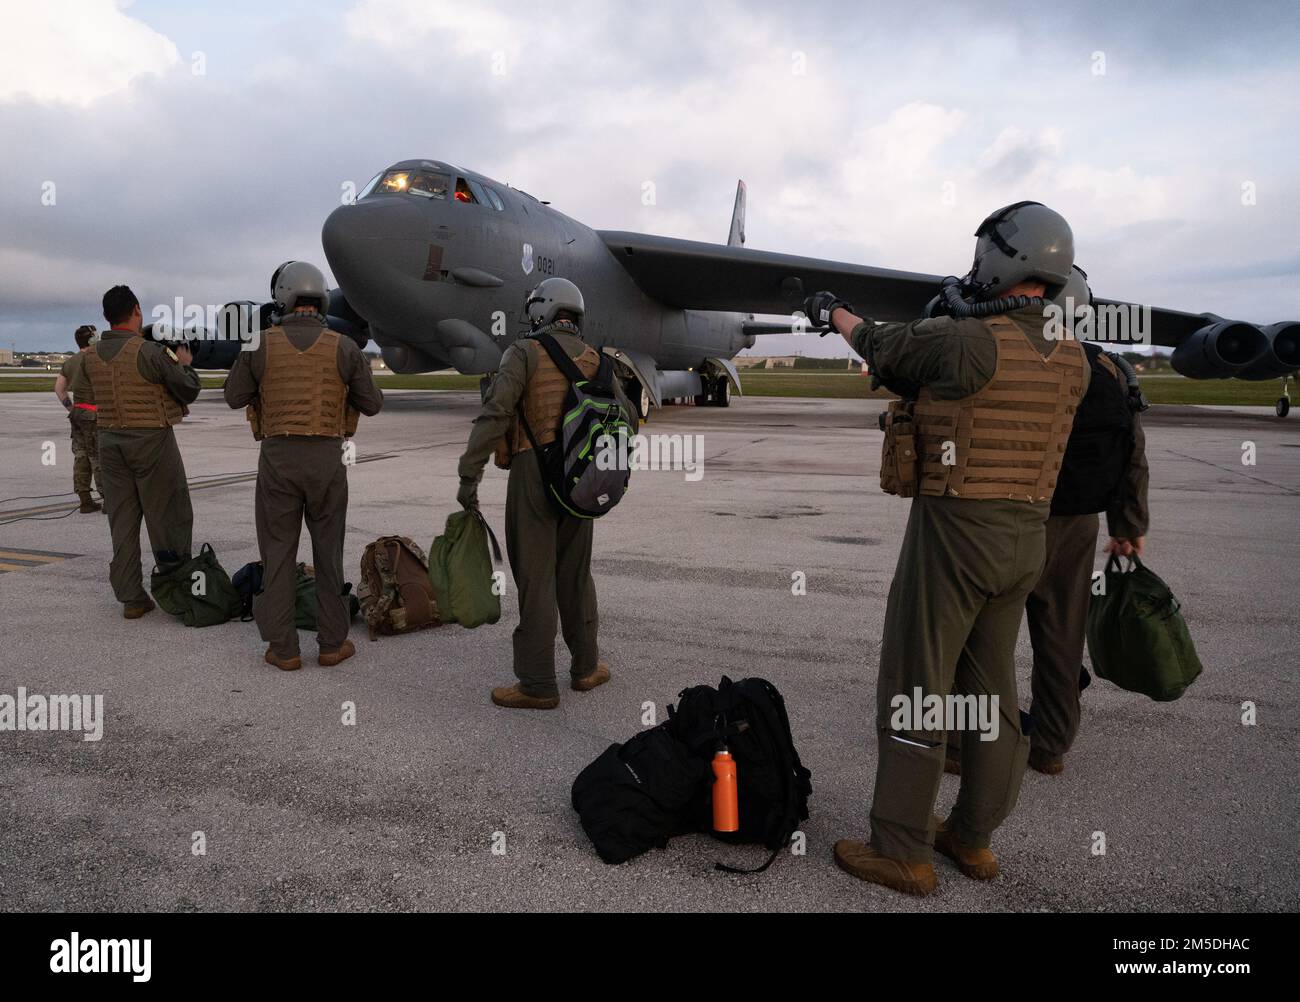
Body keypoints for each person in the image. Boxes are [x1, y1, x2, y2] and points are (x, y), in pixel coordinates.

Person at [806, 202, 1089, 896]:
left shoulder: (969, 343)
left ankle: (901, 849)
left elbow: (882, 345)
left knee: (916, 685)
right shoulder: (1074, 358)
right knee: (991, 694)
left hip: (957, 536)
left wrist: (832, 312)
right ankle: (973, 838)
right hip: (1027, 539)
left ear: (1003, 258)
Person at [943, 266, 1150, 778]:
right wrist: (1128, 525)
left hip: (1008, 519)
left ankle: (956, 743)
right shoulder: (1110, 369)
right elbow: (1132, 454)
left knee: (975, 638)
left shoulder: (1008, 360)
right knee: (1061, 637)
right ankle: (1052, 745)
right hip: (1079, 526)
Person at [456, 277, 636, 709]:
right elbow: (628, 416)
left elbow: (496, 412)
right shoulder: (597, 359)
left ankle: (537, 682)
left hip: (533, 475)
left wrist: (469, 475)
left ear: (540, 311)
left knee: (536, 579)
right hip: (582, 480)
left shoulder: (522, 353)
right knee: (575, 575)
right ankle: (587, 667)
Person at [223, 261, 383, 671]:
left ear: (284, 297)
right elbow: (373, 403)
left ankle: (284, 648)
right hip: (328, 460)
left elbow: (234, 396)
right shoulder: (344, 346)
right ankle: (331, 644)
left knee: (277, 555)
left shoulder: (260, 344)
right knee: (328, 555)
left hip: (278, 460)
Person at [83, 286, 200, 618]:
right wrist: (185, 363)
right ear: (135, 310)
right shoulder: (149, 352)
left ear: (108, 315)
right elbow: (188, 389)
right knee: (170, 516)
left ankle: (131, 596)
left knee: (122, 520)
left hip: (109, 441)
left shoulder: (90, 356)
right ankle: (178, 591)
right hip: (152, 441)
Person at [54, 324, 103, 512]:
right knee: (98, 456)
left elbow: (59, 389)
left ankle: (85, 499)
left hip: (77, 413)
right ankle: (107, 498)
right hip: (94, 413)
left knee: (81, 455)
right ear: (91, 340)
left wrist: (71, 407)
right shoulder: (97, 359)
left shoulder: (70, 362)